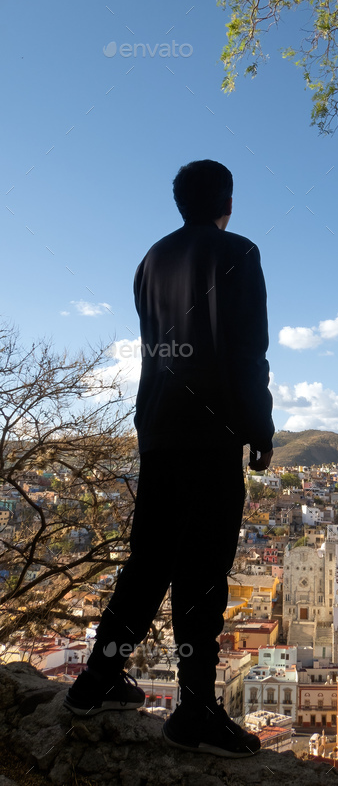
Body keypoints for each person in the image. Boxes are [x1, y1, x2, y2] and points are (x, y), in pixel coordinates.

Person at [64, 160, 274, 758]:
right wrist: (259, 425)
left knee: (149, 560)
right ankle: (196, 713)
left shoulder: (148, 262)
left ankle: (95, 681)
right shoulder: (239, 250)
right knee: (203, 572)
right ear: (226, 201)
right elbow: (246, 347)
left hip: (157, 427)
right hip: (211, 434)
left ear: (180, 202)